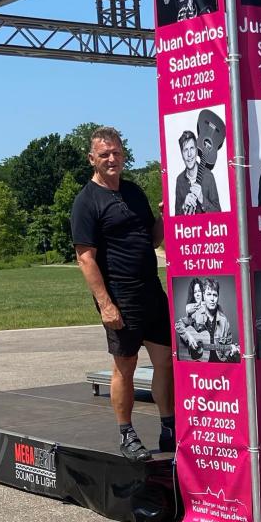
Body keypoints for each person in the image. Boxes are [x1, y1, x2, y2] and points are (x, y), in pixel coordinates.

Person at [71, 126, 174, 462]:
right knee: (124, 369)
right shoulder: (86, 201)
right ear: (92, 159)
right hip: (121, 298)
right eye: (104, 154)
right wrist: (106, 305)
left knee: (165, 363)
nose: (112, 159)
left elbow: (153, 239)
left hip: (151, 292)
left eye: (116, 152)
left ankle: (168, 426)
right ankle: (126, 433)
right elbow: (85, 258)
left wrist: (165, 214)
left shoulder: (132, 192)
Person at [176, 278, 240, 363]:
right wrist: (189, 337)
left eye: (215, 295)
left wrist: (232, 352)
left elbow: (227, 353)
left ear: (218, 296)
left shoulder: (224, 322)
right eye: (209, 294)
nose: (212, 299)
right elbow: (178, 324)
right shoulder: (196, 314)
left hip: (219, 366)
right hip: (199, 366)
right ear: (204, 295)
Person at [174, 130, 221, 215]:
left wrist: (202, 199)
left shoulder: (208, 176)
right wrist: (184, 206)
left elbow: (218, 213)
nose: (189, 154)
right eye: (185, 150)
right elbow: (176, 219)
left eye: (192, 148)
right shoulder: (179, 180)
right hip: (189, 228)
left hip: (208, 227)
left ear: (196, 150)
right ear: (182, 154)